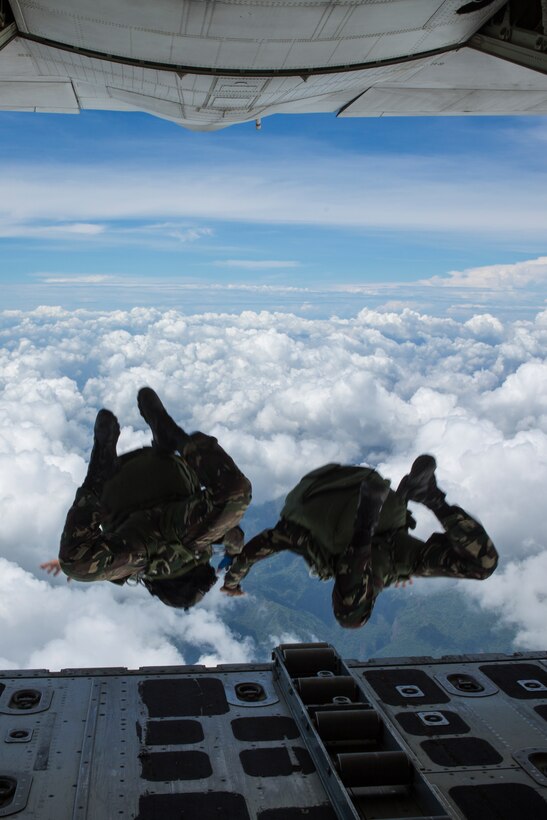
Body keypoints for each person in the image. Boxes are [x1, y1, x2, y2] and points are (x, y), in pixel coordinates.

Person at [220, 456, 498, 629]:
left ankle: (367, 520)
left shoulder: (294, 531)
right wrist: (232, 580)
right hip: (393, 546)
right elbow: (252, 551)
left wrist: (232, 582)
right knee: (481, 565)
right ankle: (432, 498)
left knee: (352, 616)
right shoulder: (294, 531)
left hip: (380, 542)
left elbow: (252, 552)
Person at [43, 388, 251, 610]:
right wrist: (97, 475)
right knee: (77, 565)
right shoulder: (137, 561)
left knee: (233, 495)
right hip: (117, 483)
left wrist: (233, 552)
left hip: (166, 474)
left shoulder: (200, 540)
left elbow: (232, 526)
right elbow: (75, 563)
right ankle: (102, 466)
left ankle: (170, 434)